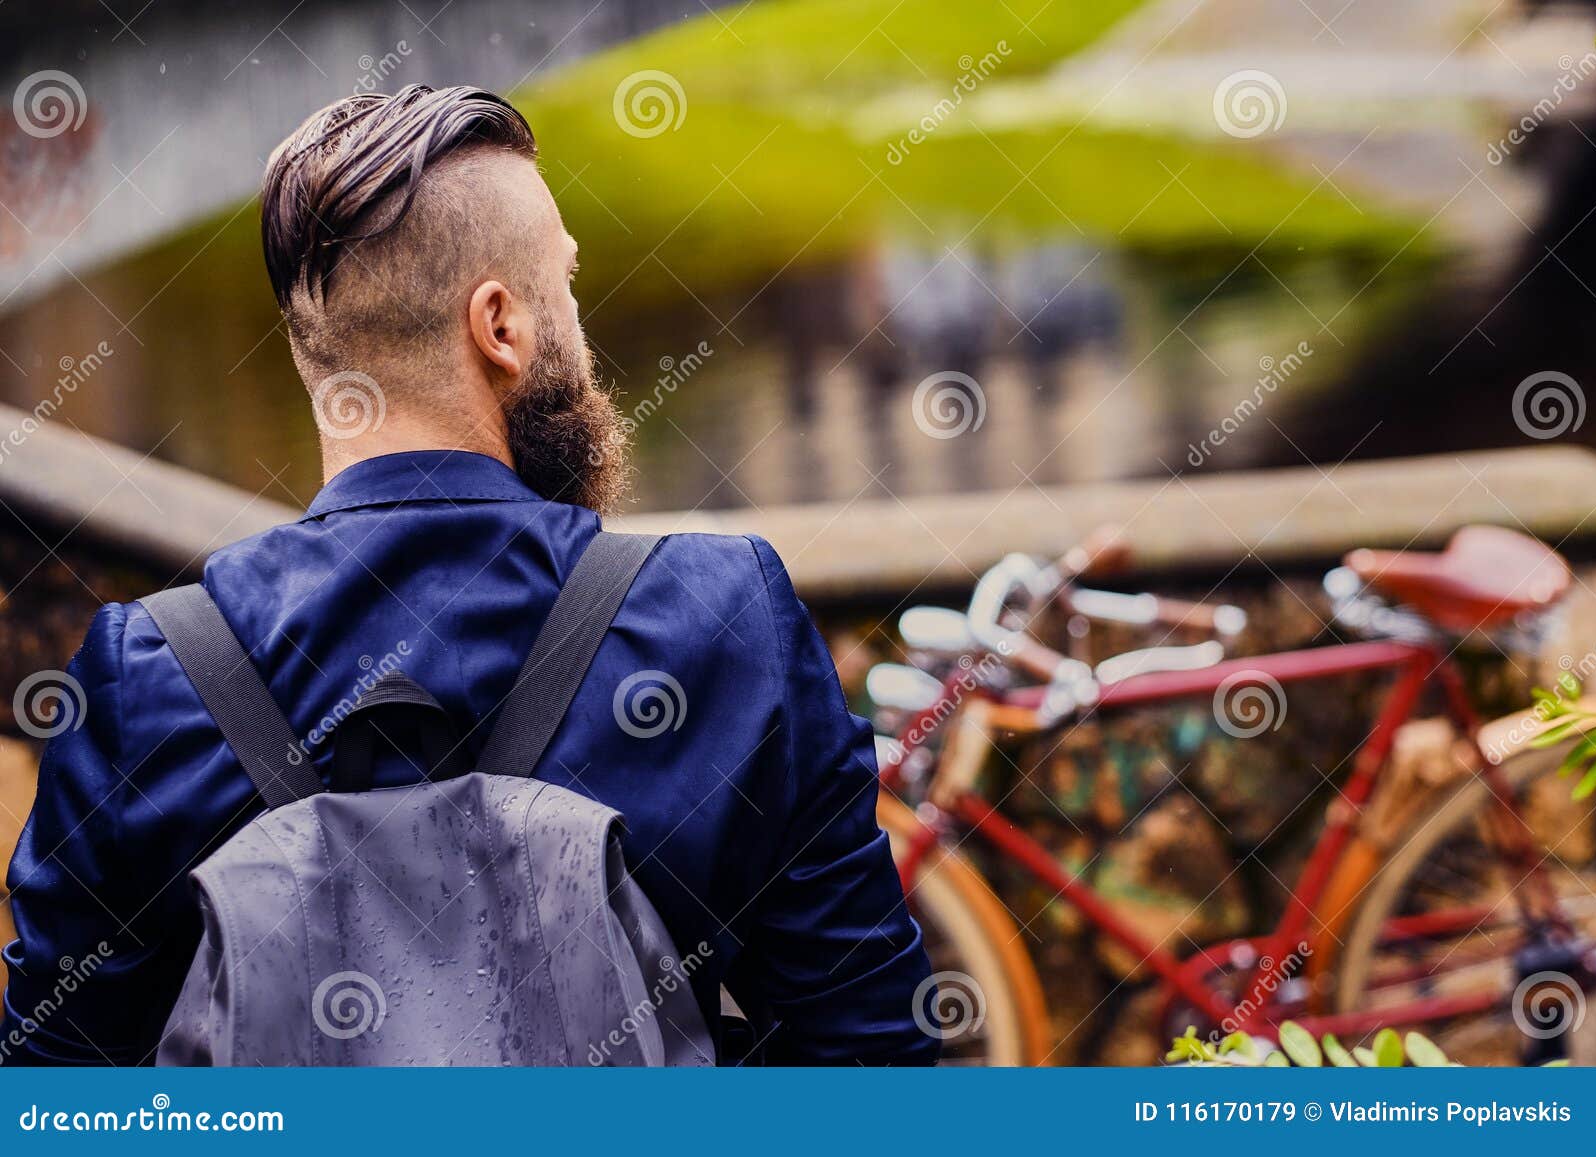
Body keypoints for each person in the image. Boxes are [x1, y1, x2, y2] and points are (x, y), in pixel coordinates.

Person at [1, 85, 936, 1065]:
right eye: (563, 287)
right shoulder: (717, 614)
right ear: (501, 327)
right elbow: (873, 1062)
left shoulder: (151, 670)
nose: (577, 326)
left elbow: (56, 1092)